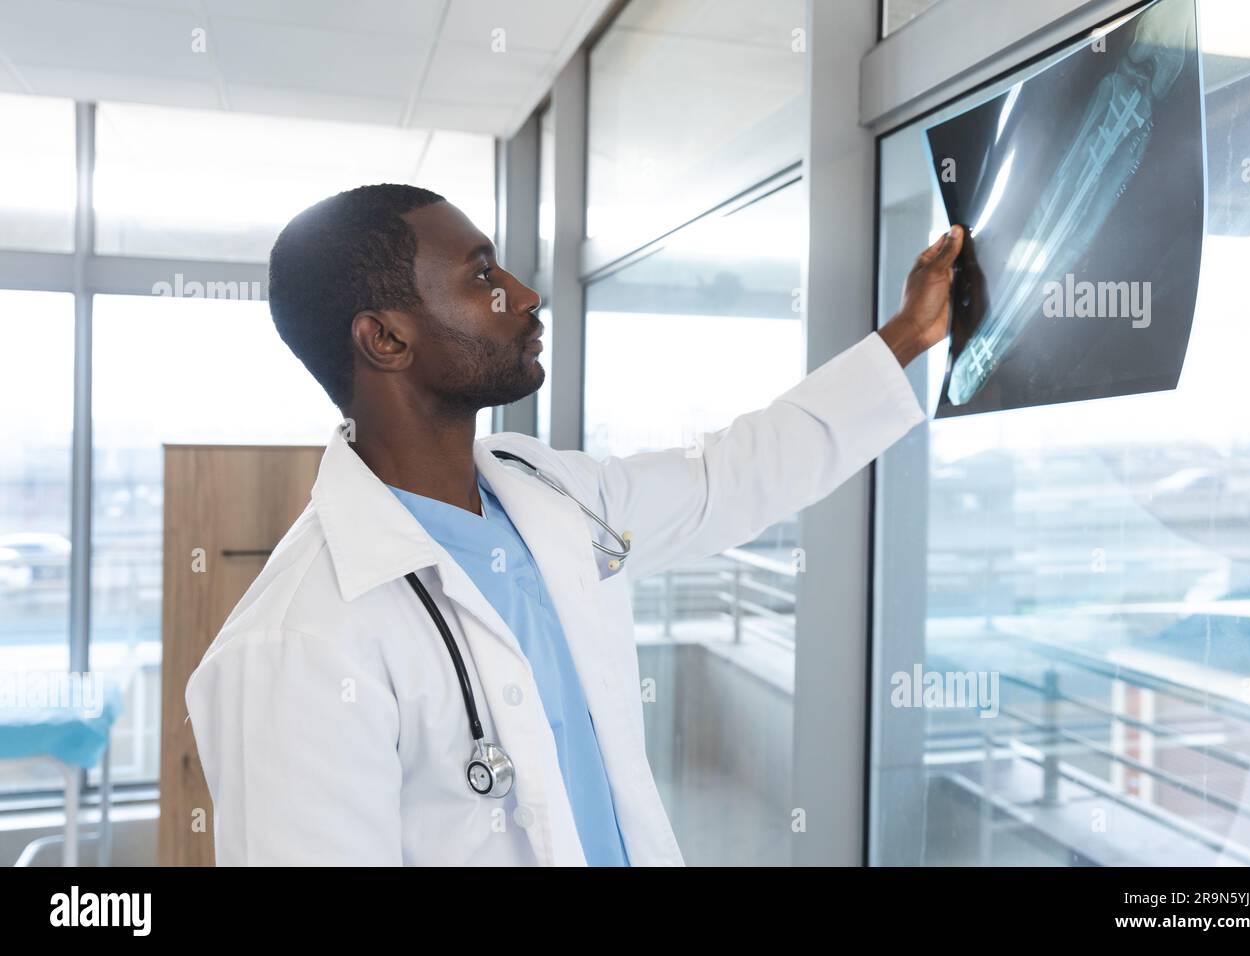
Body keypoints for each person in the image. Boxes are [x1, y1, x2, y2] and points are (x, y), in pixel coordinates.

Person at [184, 183, 964, 865]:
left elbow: (724, 480)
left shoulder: (542, 487)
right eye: (483, 275)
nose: (523, 295)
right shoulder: (294, 645)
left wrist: (907, 337)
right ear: (386, 338)